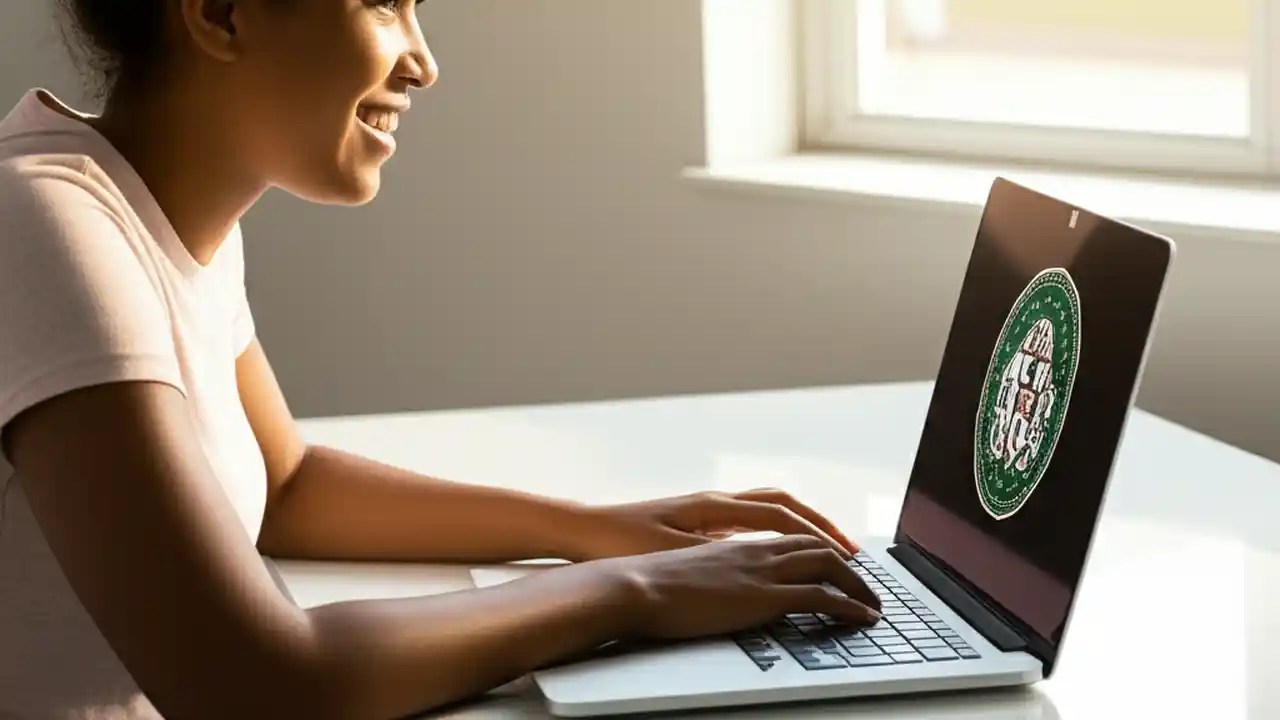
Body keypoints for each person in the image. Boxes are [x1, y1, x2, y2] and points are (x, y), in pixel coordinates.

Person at [0, 1, 882, 717]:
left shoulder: (153, 212)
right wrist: (634, 590)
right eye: (384, 5)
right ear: (222, 15)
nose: (422, 61)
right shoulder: (49, 229)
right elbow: (263, 683)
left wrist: (587, 528)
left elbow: (289, 485)